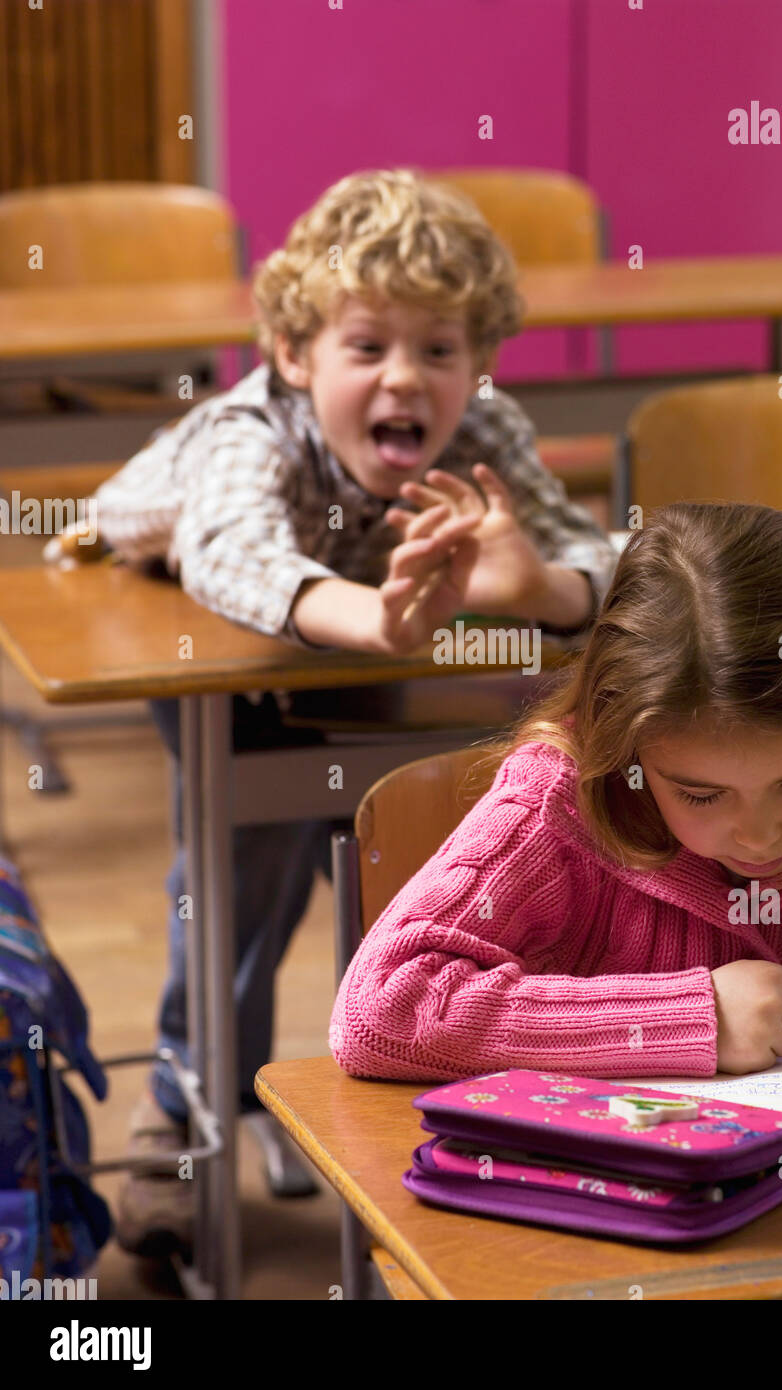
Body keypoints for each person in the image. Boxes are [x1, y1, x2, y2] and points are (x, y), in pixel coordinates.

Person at [71, 168, 618, 1257]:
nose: (403, 377)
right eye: (365, 348)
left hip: (351, 642)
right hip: (189, 619)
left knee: (403, 854)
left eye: (438, 350)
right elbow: (234, 555)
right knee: (243, 878)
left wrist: (540, 590)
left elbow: (584, 549)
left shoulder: (486, 428)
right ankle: (179, 1113)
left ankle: (370, 1088)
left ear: (479, 362)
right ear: (293, 355)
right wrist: (379, 619)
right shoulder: (250, 430)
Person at [331, 501, 782, 1130]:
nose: (758, 832)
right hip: (617, 1208)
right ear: (628, 734)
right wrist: (691, 1018)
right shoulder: (562, 799)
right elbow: (380, 1010)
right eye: (699, 794)